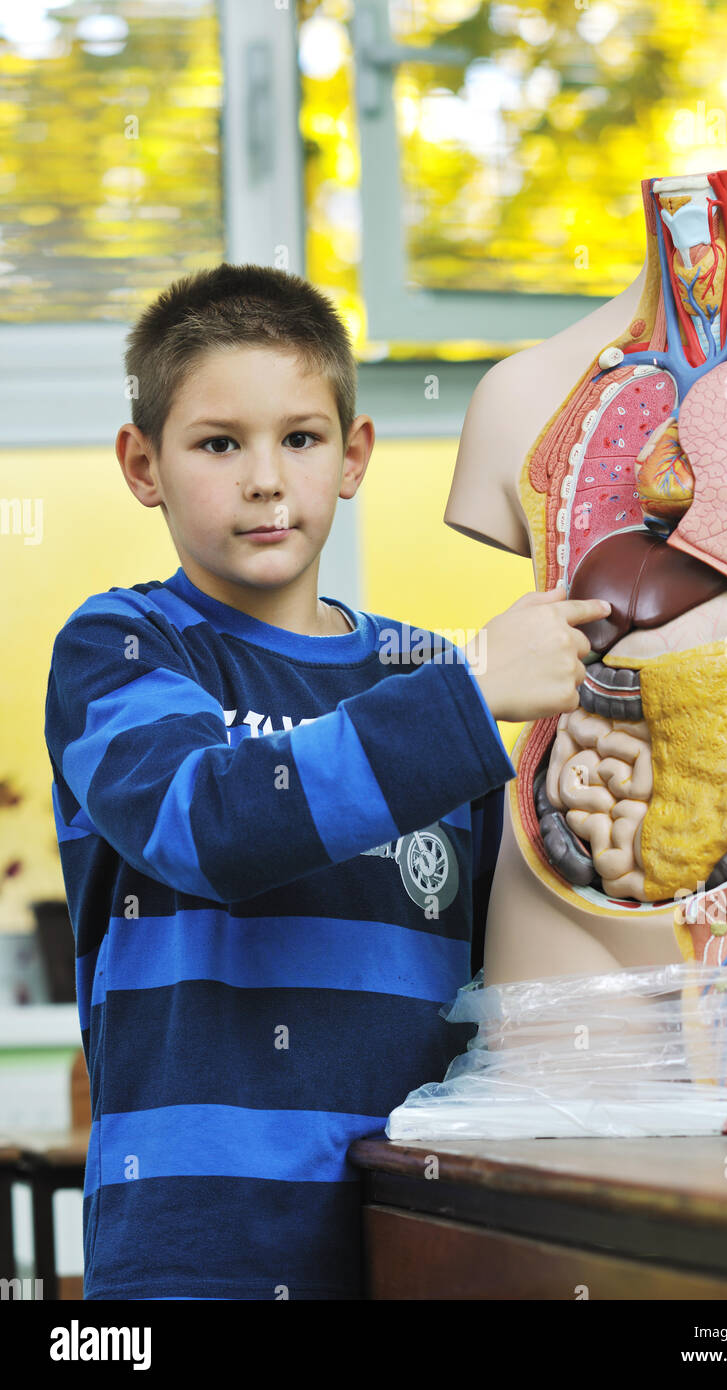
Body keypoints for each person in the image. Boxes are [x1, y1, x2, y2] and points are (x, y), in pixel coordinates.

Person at [43, 262, 609, 1300]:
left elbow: (508, 960)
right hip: (199, 1245)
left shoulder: (425, 678)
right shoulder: (121, 648)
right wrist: (473, 691)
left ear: (351, 457)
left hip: (422, 1226)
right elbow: (208, 824)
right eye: (219, 443)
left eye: (299, 438)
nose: (265, 479)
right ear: (142, 464)